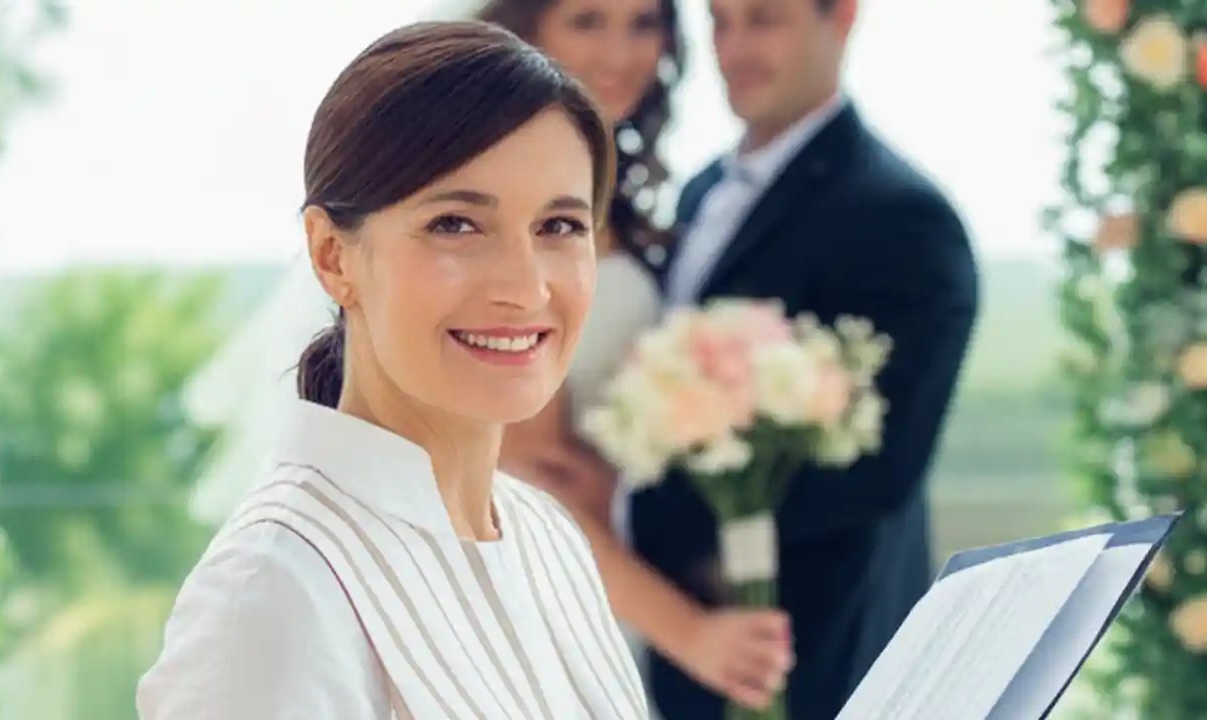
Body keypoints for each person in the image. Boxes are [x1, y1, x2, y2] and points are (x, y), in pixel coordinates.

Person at [137, 21, 650, 719]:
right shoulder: (271, 595)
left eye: (558, 227)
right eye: (456, 225)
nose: (526, 289)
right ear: (332, 256)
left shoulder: (550, 541)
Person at [633, 0, 981, 718]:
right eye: (719, 22)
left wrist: (627, 522)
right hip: (675, 644)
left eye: (764, 20)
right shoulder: (699, 193)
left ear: (842, 17)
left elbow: (877, 470)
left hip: (811, 653)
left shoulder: (902, 216)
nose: (735, 48)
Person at [472, 1, 796, 712]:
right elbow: (524, 478)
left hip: (602, 573)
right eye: (588, 21)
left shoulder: (617, 193)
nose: (621, 53)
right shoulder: (508, 183)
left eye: (643, 23)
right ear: (527, 29)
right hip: (536, 585)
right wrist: (693, 634)